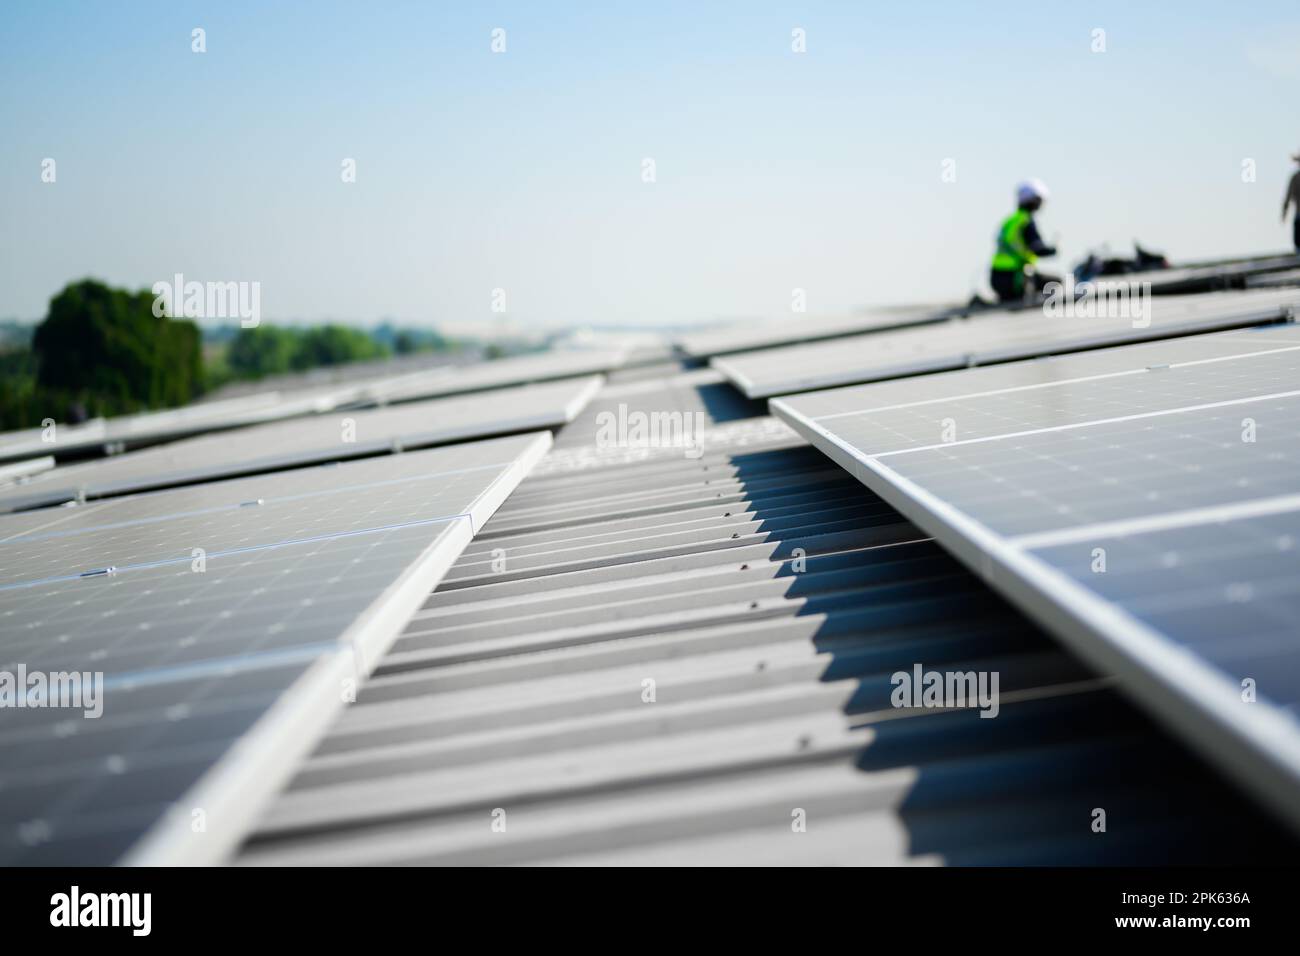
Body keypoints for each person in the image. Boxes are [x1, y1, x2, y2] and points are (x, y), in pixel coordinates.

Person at [990, 179, 1060, 303]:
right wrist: (1052, 250)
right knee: (1056, 283)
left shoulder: (1010, 220)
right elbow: (1038, 249)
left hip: (996, 279)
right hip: (1016, 278)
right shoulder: (1026, 221)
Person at [1282, 153, 1300, 252]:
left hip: (1298, 215)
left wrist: (1284, 213)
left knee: (1298, 247)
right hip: (1298, 215)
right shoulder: (1294, 178)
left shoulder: (1295, 178)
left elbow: (1288, 197)